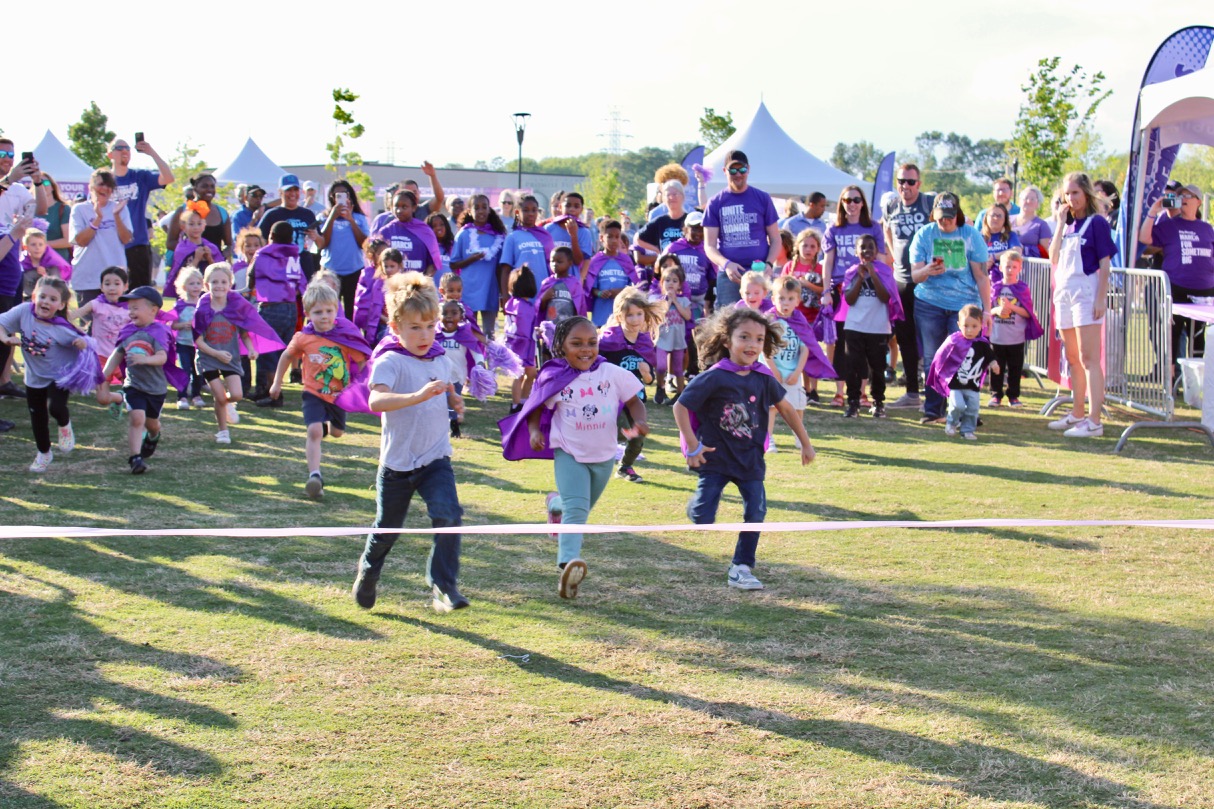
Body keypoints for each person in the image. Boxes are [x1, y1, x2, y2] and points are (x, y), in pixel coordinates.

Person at [500, 315, 648, 599]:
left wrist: (639, 421)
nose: (586, 349)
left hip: (604, 457)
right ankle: (568, 565)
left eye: (592, 343)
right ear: (562, 346)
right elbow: (536, 407)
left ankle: (555, 504)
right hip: (569, 453)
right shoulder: (555, 376)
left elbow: (633, 400)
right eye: (577, 343)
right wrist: (533, 432)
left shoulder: (611, 373)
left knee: (577, 509)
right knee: (578, 512)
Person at [673, 307, 815, 591]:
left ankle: (741, 566)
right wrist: (692, 445)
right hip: (715, 458)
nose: (752, 345)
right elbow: (680, 406)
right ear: (727, 340)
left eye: (759, 339)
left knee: (756, 511)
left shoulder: (763, 377)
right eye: (745, 337)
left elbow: (786, 409)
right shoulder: (714, 377)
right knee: (702, 518)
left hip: (750, 459)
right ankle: (695, 509)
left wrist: (806, 443)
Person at [352, 271, 469, 614]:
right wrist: (417, 395)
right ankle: (368, 572)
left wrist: (453, 401)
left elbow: (444, 387)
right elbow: (375, 402)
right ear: (396, 326)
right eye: (415, 327)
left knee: (449, 515)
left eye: (430, 326)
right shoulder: (389, 360)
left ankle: (444, 586)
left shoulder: (440, 359)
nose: (424, 334)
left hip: (436, 460)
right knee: (387, 530)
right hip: (398, 466)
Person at [269, 281, 370, 497]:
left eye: (329, 311)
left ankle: (326, 426)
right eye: (317, 312)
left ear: (336, 310)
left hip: (338, 396)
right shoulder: (303, 338)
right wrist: (277, 383)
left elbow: (362, 360)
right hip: (313, 393)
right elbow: (287, 356)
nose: (324, 316)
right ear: (307, 314)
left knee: (337, 433)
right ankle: (315, 475)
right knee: (314, 431)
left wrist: (362, 385)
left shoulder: (344, 335)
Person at [908, 193, 991, 425]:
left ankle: (967, 410)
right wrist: (927, 271)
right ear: (933, 214)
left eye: (950, 217)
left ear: (958, 215)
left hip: (964, 305)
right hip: (929, 302)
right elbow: (915, 275)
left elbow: (982, 276)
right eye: (941, 217)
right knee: (933, 356)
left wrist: (986, 310)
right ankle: (934, 409)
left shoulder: (970, 234)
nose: (945, 222)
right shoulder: (924, 234)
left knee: (965, 357)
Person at [1046, 172, 1117, 439]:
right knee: (1073, 358)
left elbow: (1105, 262)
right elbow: (1053, 257)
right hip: (1063, 293)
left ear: (1086, 194)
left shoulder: (1097, 223)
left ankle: (1094, 420)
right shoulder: (1067, 225)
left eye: (1075, 192)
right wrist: (1060, 225)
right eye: (1067, 193)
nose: (1070, 198)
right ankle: (1077, 412)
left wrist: (1101, 298)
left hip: (1086, 294)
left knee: (1089, 359)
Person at [0, 276, 94, 472]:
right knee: (38, 417)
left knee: (56, 407)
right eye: (42, 296)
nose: (46, 302)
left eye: (52, 299)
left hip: (60, 375)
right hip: (34, 376)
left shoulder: (62, 329)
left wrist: (82, 343)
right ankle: (44, 453)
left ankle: (64, 424)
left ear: (60, 305)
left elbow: (86, 344)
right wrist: (6, 338)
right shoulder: (24, 311)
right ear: (34, 296)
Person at [100, 286, 187, 474]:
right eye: (129, 308)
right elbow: (117, 354)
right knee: (136, 418)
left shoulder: (159, 331)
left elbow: (162, 357)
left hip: (155, 388)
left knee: (151, 424)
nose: (131, 312)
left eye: (136, 307)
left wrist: (145, 359)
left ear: (153, 310)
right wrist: (102, 374)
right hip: (134, 385)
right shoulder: (128, 331)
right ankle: (135, 458)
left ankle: (154, 436)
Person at [1138, 183, 1214, 370]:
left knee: (1197, 338)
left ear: (1198, 201)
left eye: (1188, 196)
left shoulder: (1206, 228)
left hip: (1203, 290)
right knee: (1172, 334)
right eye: (1181, 196)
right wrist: (1154, 211)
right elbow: (1144, 239)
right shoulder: (1169, 226)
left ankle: (1195, 383)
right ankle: (1170, 382)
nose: (1184, 199)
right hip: (1176, 287)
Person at [882, 163, 934, 408]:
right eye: (902, 181)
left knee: (932, 337)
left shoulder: (928, 203)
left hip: (928, 282)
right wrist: (895, 259)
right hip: (902, 281)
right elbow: (887, 232)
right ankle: (912, 392)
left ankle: (936, 394)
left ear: (919, 184)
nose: (906, 186)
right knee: (905, 339)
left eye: (911, 182)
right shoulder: (891, 206)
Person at [598, 288, 662, 482]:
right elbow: (593, 362)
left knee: (637, 439)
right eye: (629, 315)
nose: (635, 319)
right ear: (619, 316)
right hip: (612, 398)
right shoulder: (609, 340)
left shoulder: (645, 342)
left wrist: (646, 373)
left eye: (639, 314)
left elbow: (649, 380)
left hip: (636, 399)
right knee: (621, 431)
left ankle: (625, 467)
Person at [702, 151, 781, 308]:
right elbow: (709, 246)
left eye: (742, 169)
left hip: (759, 273)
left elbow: (775, 239)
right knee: (728, 323)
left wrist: (769, 264)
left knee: (764, 319)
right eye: (733, 170)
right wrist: (726, 264)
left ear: (748, 169)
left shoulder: (763, 198)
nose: (738, 174)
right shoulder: (715, 203)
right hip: (730, 275)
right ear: (725, 171)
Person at [839, 234, 903, 419]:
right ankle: (853, 403)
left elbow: (885, 297)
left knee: (877, 367)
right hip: (854, 326)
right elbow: (849, 299)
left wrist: (872, 273)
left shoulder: (884, 271)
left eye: (870, 247)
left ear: (876, 251)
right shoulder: (852, 272)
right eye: (863, 247)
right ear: (856, 251)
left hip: (878, 328)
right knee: (853, 366)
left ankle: (878, 403)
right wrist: (860, 277)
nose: (866, 251)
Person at [249, 221, 309, 405]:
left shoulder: (264, 253)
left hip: (270, 307)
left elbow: (252, 273)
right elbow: (302, 282)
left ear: (271, 236)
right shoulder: (294, 255)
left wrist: (250, 290)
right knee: (282, 350)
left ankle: (269, 393)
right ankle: (269, 389)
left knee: (267, 351)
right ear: (291, 238)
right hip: (290, 308)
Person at [108, 137, 174, 288]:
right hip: (110, 246)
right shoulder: (104, 180)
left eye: (127, 148)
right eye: (119, 148)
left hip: (137, 244)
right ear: (110, 155)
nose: (124, 150)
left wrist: (152, 153)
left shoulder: (140, 176)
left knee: (140, 294)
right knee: (113, 295)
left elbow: (169, 178)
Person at [927, 304, 999, 440]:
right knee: (957, 405)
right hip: (956, 384)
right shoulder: (954, 341)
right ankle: (951, 423)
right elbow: (941, 355)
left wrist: (994, 364)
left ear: (981, 326)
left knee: (973, 409)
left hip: (973, 385)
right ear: (959, 324)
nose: (970, 330)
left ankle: (967, 430)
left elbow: (990, 356)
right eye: (966, 326)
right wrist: (939, 370)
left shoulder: (982, 344)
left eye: (974, 326)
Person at [68, 266, 130, 415]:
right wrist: (62, 315)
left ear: (125, 287)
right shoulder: (96, 304)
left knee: (136, 391)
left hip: (124, 358)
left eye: (117, 283)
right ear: (101, 287)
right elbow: (75, 314)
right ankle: (119, 398)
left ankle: (134, 403)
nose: (112, 288)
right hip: (101, 358)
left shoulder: (130, 308)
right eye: (107, 283)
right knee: (102, 399)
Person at [69, 169, 133, 308]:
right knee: (89, 326)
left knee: (115, 324)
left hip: (114, 280)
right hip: (87, 278)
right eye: (101, 184)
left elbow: (126, 239)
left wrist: (116, 216)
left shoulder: (119, 208)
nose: (105, 188)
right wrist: (98, 219)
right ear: (90, 187)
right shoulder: (79, 209)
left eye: (109, 186)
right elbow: (80, 241)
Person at [988, 250, 1043, 408]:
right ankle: (995, 394)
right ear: (1000, 268)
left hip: (1016, 337)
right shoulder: (995, 288)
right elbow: (988, 310)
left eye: (1014, 267)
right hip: (997, 336)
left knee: (1015, 368)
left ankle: (1013, 396)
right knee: (996, 367)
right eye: (1007, 266)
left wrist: (1012, 307)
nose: (1010, 270)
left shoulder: (1022, 289)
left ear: (1020, 269)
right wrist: (997, 310)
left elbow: (1028, 313)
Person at [450, 194, 507, 338]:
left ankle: (490, 359)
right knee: (469, 331)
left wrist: (502, 293)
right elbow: (453, 264)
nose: (481, 211)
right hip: (469, 291)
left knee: (489, 333)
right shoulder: (464, 234)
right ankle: (471, 360)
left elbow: (502, 268)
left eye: (484, 207)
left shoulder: (498, 236)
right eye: (477, 207)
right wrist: (472, 259)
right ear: (470, 210)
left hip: (490, 290)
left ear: (489, 210)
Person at [318, 179, 369, 319]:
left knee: (351, 312)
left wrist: (350, 220)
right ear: (332, 198)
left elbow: (364, 243)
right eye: (337, 195)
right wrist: (332, 217)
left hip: (354, 270)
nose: (341, 198)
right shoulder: (323, 217)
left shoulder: (359, 218)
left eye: (344, 194)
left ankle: (350, 338)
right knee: (329, 309)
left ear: (350, 196)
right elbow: (323, 243)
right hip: (330, 271)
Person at [258, 174, 324, 280]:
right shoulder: (272, 215)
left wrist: (315, 236)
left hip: (304, 267)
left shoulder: (307, 214)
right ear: (280, 192)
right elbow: (259, 242)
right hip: (280, 269)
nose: (292, 194)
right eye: (288, 190)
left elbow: (321, 244)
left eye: (295, 190)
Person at [371, 189, 444, 278]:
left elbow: (433, 264)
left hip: (418, 287)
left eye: (404, 207)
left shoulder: (425, 231)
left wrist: (421, 283)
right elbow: (377, 262)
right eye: (396, 206)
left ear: (414, 208)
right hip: (392, 286)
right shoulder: (386, 231)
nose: (399, 210)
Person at [585, 220, 641, 327]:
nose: (614, 240)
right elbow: (591, 289)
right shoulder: (595, 261)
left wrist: (621, 291)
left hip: (623, 316)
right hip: (601, 316)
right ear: (601, 238)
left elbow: (634, 286)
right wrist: (601, 293)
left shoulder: (626, 260)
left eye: (617, 237)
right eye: (609, 237)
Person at [499, 195, 553, 304]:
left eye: (534, 210)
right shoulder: (512, 237)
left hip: (543, 294)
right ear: (517, 212)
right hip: (521, 296)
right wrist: (505, 296)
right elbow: (505, 270)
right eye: (526, 210)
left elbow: (552, 266)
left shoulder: (545, 236)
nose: (531, 214)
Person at [167, 174, 233, 261]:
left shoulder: (222, 212)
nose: (209, 189)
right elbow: (170, 243)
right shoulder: (183, 210)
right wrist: (194, 252)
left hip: (214, 264)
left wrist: (220, 256)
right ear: (195, 188)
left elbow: (229, 244)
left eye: (212, 186)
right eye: (204, 186)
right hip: (190, 264)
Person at [652, 265, 691, 404]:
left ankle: (680, 394)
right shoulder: (659, 301)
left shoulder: (683, 300)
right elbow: (659, 317)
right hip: (663, 339)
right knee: (661, 366)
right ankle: (660, 387)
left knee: (679, 368)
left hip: (677, 340)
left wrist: (675, 301)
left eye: (675, 281)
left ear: (680, 284)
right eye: (667, 280)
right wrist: (668, 302)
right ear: (662, 283)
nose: (671, 283)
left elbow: (687, 316)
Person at [369, 165, 448, 233]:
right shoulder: (387, 219)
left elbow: (439, 198)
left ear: (419, 193)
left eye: (414, 192)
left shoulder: (424, 210)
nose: (411, 196)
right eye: (407, 192)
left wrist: (432, 176)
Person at [164, 204, 222, 295]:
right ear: (183, 227)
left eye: (199, 224)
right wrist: (196, 259)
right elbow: (181, 276)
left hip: (207, 291)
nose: (196, 227)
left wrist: (210, 258)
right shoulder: (182, 248)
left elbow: (219, 272)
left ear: (204, 226)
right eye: (191, 224)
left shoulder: (211, 247)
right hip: (188, 292)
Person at [504, 266, 539, 413]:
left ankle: (523, 403)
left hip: (519, 344)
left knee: (531, 374)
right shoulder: (524, 307)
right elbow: (523, 328)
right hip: (523, 345)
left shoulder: (511, 302)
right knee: (519, 375)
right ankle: (515, 405)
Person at [170, 267, 206, 409]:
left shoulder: (204, 304)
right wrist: (183, 325)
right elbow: (173, 325)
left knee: (199, 371)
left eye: (198, 283)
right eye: (192, 284)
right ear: (184, 286)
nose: (196, 286)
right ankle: (182, 397)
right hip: (183, 344)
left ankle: (196, 395)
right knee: (185, 370)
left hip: (200, 345)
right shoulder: (180, 305)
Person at [353, 245, 401, 344]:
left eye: (392, 266)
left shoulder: (403, 283)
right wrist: (386, 319)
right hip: (382, 324)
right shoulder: (379, 284)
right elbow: (375, 308)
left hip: (400, 324)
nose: (388, 270)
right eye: (386, 266)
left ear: (399, 266)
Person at [634, 180, 690, 264]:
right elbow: (637, 238)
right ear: (663, 199)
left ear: (683, 196)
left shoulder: (689, 220)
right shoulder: (660, 221)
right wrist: (657, 251)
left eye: (675, 194)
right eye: (668, 195)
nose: (671, 197)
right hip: (667, 269)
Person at [20, 228, 72, 301]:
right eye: (33, 245)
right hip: (26, 300)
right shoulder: (22, 264)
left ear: (45, 246)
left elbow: (58, 286)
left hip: (47, 302)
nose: (37, 248)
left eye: (40, 244)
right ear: (26, 247)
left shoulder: (53, 264)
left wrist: (46, 276)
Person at [981, 203, 1022, 283]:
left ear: (1005, 220)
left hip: (1005, 281)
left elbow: (1017, 251)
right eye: (993, 215)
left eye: (999, 216)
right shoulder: (979, 237)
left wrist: (994, 257)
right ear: (986, 218)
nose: (996, 218)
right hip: (983, 279)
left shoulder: (1011, 235)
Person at [37, 173, 73, 262]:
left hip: (57, 262)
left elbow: (68, 240)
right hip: (34, 262)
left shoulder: (63, 209)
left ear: (53, 187)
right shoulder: (30, 209)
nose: (42, 185)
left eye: (45, 182)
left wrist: (43, 245)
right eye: (38, 183)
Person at [1010, 186, 1053, 260]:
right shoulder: (1007, 220)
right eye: (1025, 198)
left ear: (1037, 203)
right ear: (1019, 201)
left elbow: (1046, 251)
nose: (1028, 201)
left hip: (1031, 267)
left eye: (1032, 199)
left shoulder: (1042, 225)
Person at [425, 212, 455, 281]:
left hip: (449, 289)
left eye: (441, 224)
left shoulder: (454, 246)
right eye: (434, 226)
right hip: (431, 289)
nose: (438, 228)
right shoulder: (425, 248)